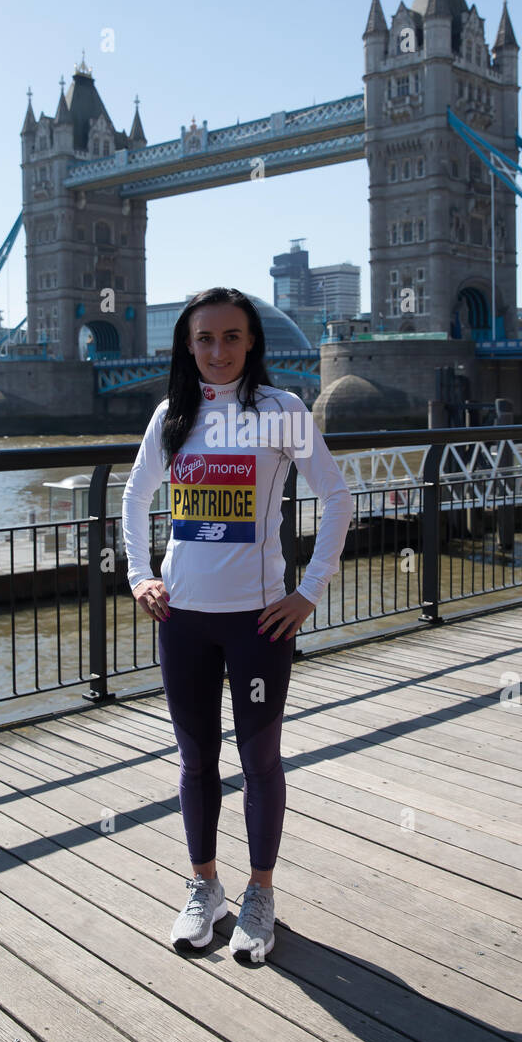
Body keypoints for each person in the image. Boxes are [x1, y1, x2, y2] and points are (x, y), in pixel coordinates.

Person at [121, 287, 353, 963]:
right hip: (182, 620)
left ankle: (259, 893)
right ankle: (204, 888)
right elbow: (136, 499)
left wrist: (310, 590)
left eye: (230, 337)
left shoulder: (281, 412)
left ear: (252, 341)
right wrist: (140, 576)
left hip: (258, 625)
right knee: (196, 764)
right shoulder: (173, 414)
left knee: (259, 763)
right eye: (204, 339)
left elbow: (337, 497)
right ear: (186, 346)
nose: (217, 351)